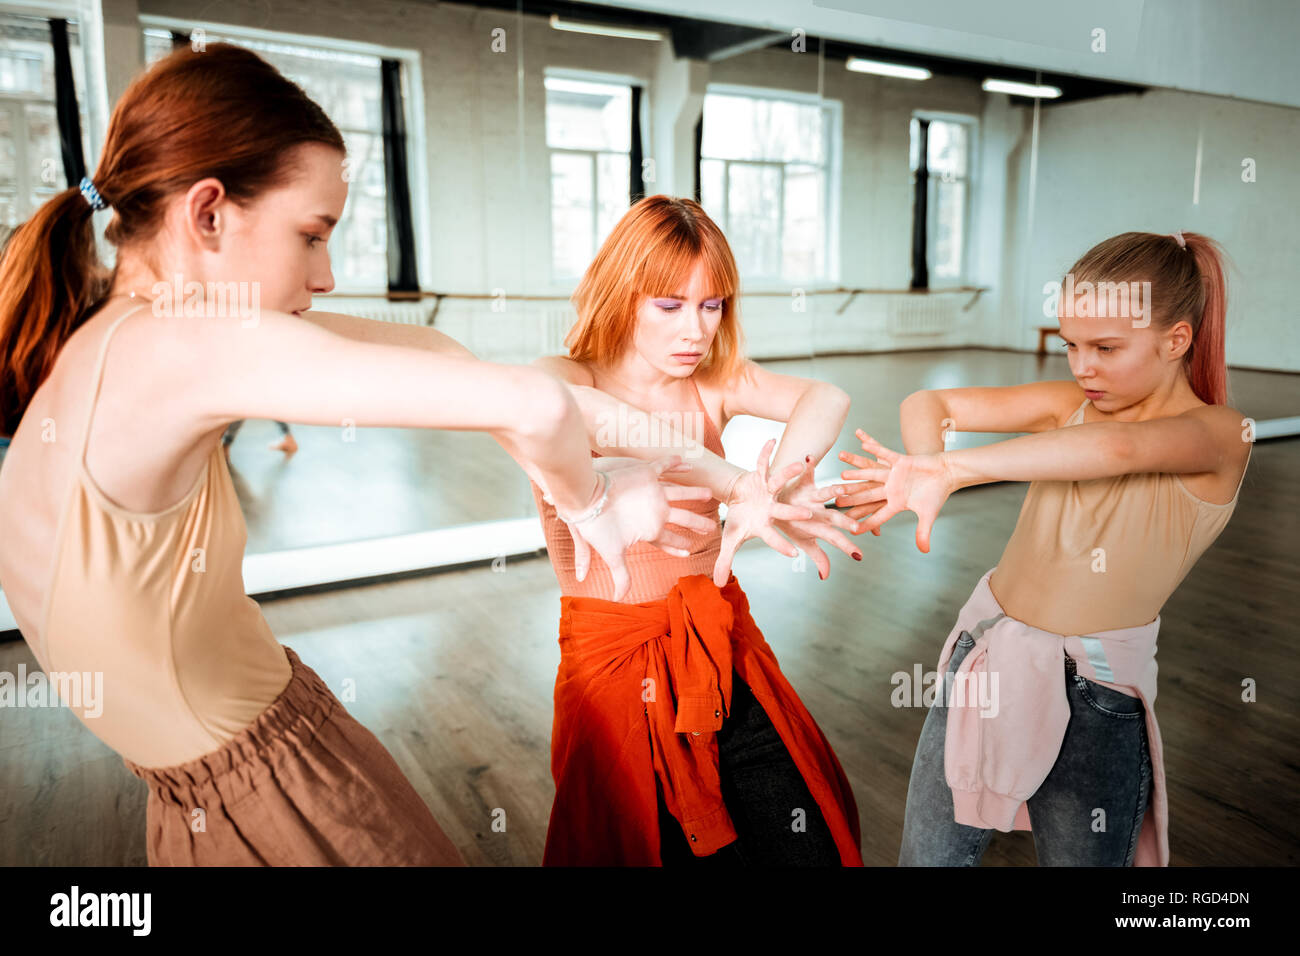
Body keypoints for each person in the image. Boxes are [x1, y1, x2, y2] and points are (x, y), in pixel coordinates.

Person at [0, 44, 705, 866]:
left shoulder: (111, 331)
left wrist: (667, 462)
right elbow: (538, 400)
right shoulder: (183, 340)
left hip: (228, 782)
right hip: (270, 790)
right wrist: (593, 506)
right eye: (311, 235)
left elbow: (444, 354)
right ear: (209, 214)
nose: (326, 275)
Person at [833, 230, 1251, 866]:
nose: (1083, 367)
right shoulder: (1068, 406)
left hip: (1097, 695)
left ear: (1176, 340)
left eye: (1106, 348)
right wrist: (924, 465)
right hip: (987, 655)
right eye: (1071, 346)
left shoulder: (1221, 434)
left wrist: (953, 469)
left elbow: (1119, 451)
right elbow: (931, 401)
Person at [530, 195, 866, 866]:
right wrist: (729, 480)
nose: (697, 330)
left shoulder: (712, 384)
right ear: (623, 295)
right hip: (616, 665)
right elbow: (562, 407)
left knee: (808, 837)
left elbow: (825, 398)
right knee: (649, 846)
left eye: (712, 305)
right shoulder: (564, 379)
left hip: (720, 645)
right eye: (670, 305)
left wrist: (777, 484)